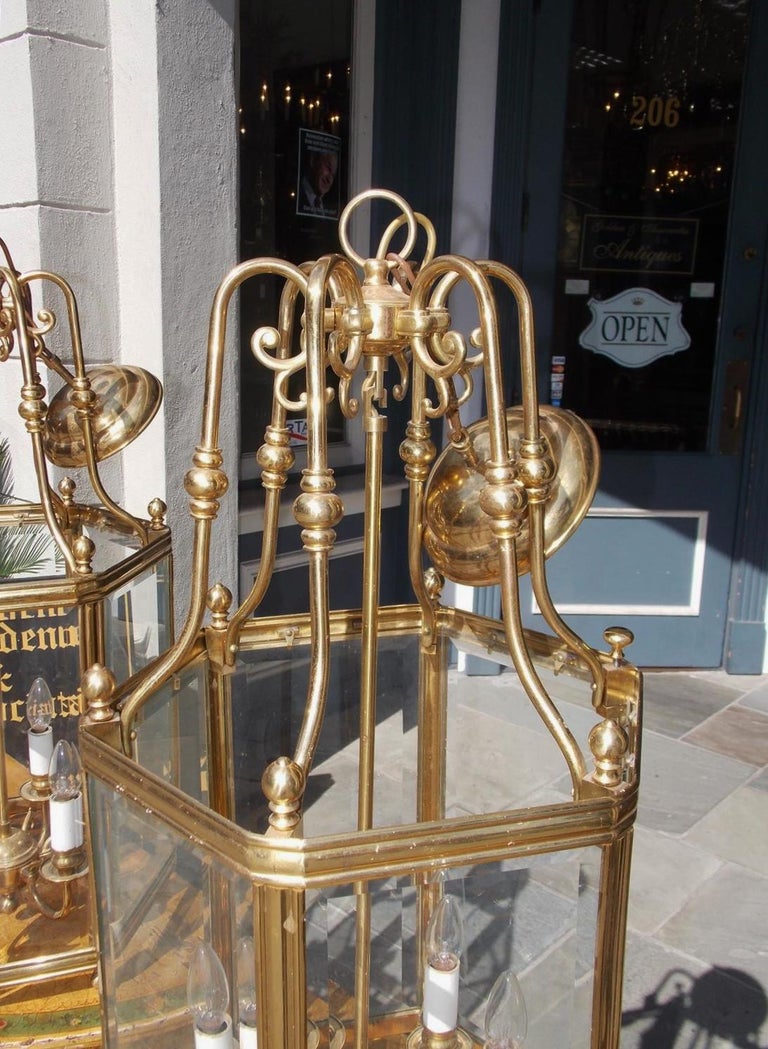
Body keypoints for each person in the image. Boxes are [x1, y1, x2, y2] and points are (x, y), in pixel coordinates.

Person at [299, 148, 338, 216]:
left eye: (333, 175)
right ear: (313, 160)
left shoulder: (329, 208)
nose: (329, 179)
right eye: (328, 168)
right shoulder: (296, 195)